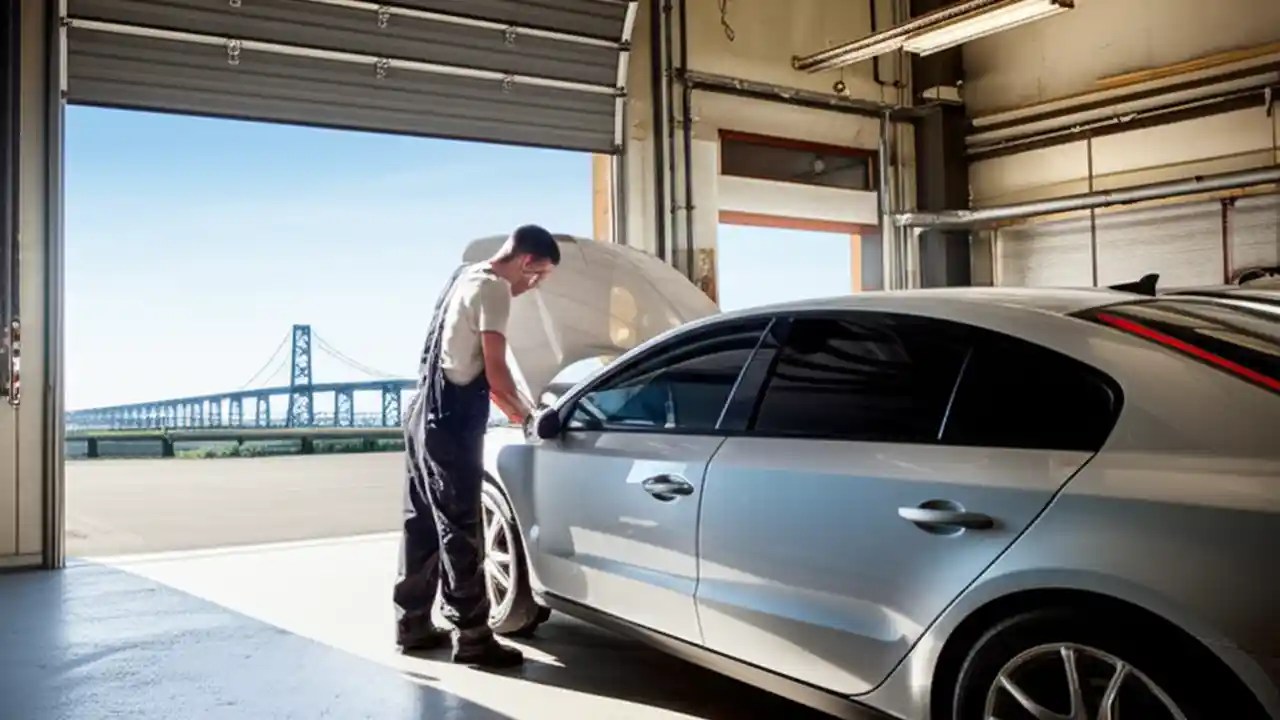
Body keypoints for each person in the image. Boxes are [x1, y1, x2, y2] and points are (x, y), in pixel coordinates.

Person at [394, 225, 560, 667]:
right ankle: (472, 638)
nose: (535, 284)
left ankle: (411, 624)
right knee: (462, 529)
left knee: (422, 524)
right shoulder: (496, 291)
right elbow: (496, 377)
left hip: (421, 413)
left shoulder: (462, 277)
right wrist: (531, 419)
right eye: (539, 275)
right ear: (525, 261)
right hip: (450, 424)